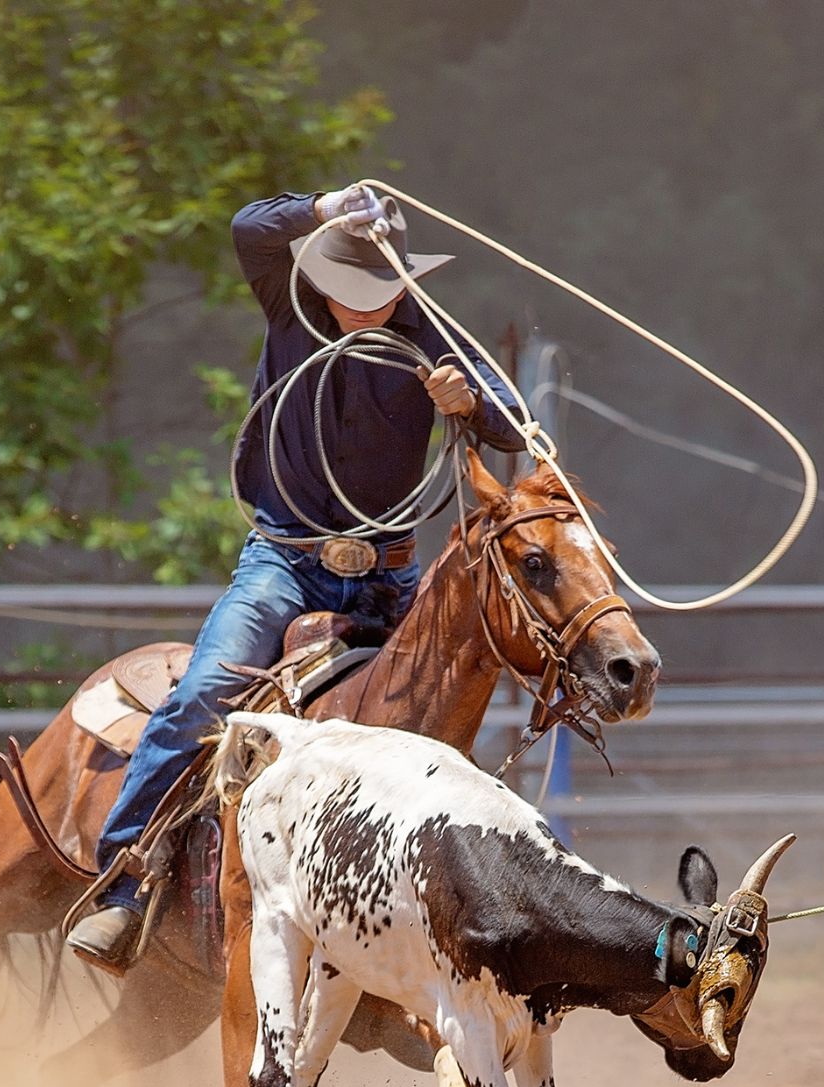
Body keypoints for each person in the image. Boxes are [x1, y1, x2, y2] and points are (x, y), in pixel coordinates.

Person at [67, 183, 526, 971]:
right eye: (349, 290)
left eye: (378, 291)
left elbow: (518, 422)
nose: (362, 309)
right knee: (205, 690)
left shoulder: (430, 336)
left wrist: (471, 400)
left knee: (445, 725)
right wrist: (322, 205)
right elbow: (249, 226)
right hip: (285, 561)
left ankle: (464, 909)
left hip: (388, 574)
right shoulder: (294, 307)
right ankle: (128, 879)